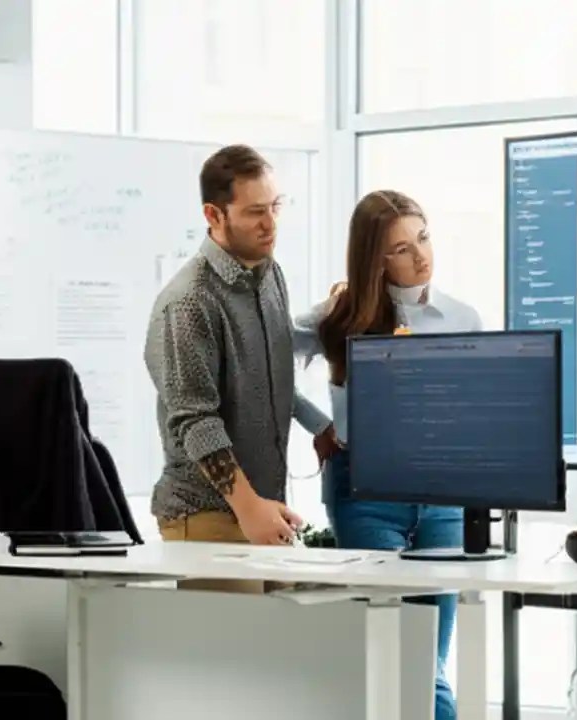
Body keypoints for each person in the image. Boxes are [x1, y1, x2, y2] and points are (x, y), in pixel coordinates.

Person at [295, 189, 482, 720]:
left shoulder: (461, 317)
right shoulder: (338, 315)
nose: (420, 256)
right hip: (365, 493)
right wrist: (320, 423)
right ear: (375, 258)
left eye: (422, 238)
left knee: (430, 662)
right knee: (397, 655)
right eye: (401, 248)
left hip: (442, 495)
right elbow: (259, 359)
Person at [144, 143, 339, 591]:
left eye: (275, 206)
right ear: (214, 215)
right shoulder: (188, 302)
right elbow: (195, 421)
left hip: (262, 508)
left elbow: (269, 380)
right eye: (255, 212)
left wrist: (321, 426)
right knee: (229, 660)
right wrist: (249, 508)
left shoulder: (270, 275)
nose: (270, 224)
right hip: (207, 514)